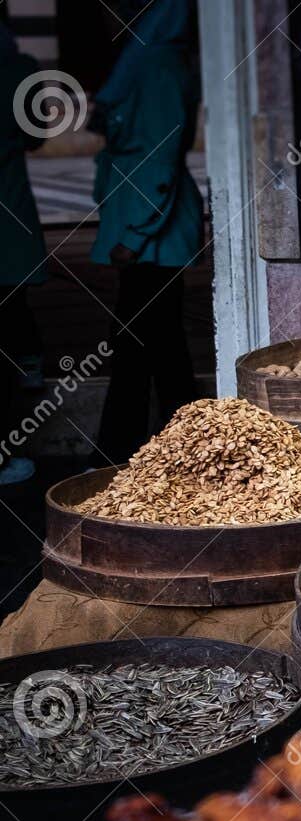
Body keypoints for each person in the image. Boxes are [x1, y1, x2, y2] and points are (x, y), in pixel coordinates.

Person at [91, 0, 201, 465]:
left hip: (151, 234)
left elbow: (159, 160)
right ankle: (185, 445)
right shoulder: (151, 62)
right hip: (147, 229)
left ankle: (121, 450)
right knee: (157, 343)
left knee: (137, 344)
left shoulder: (156, 67)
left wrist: (134, 235)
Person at [0, 21, 48, 485]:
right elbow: (36, 134)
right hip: (7, 203)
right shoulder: (19, 68)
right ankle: (28, 361)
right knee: (11, 297)